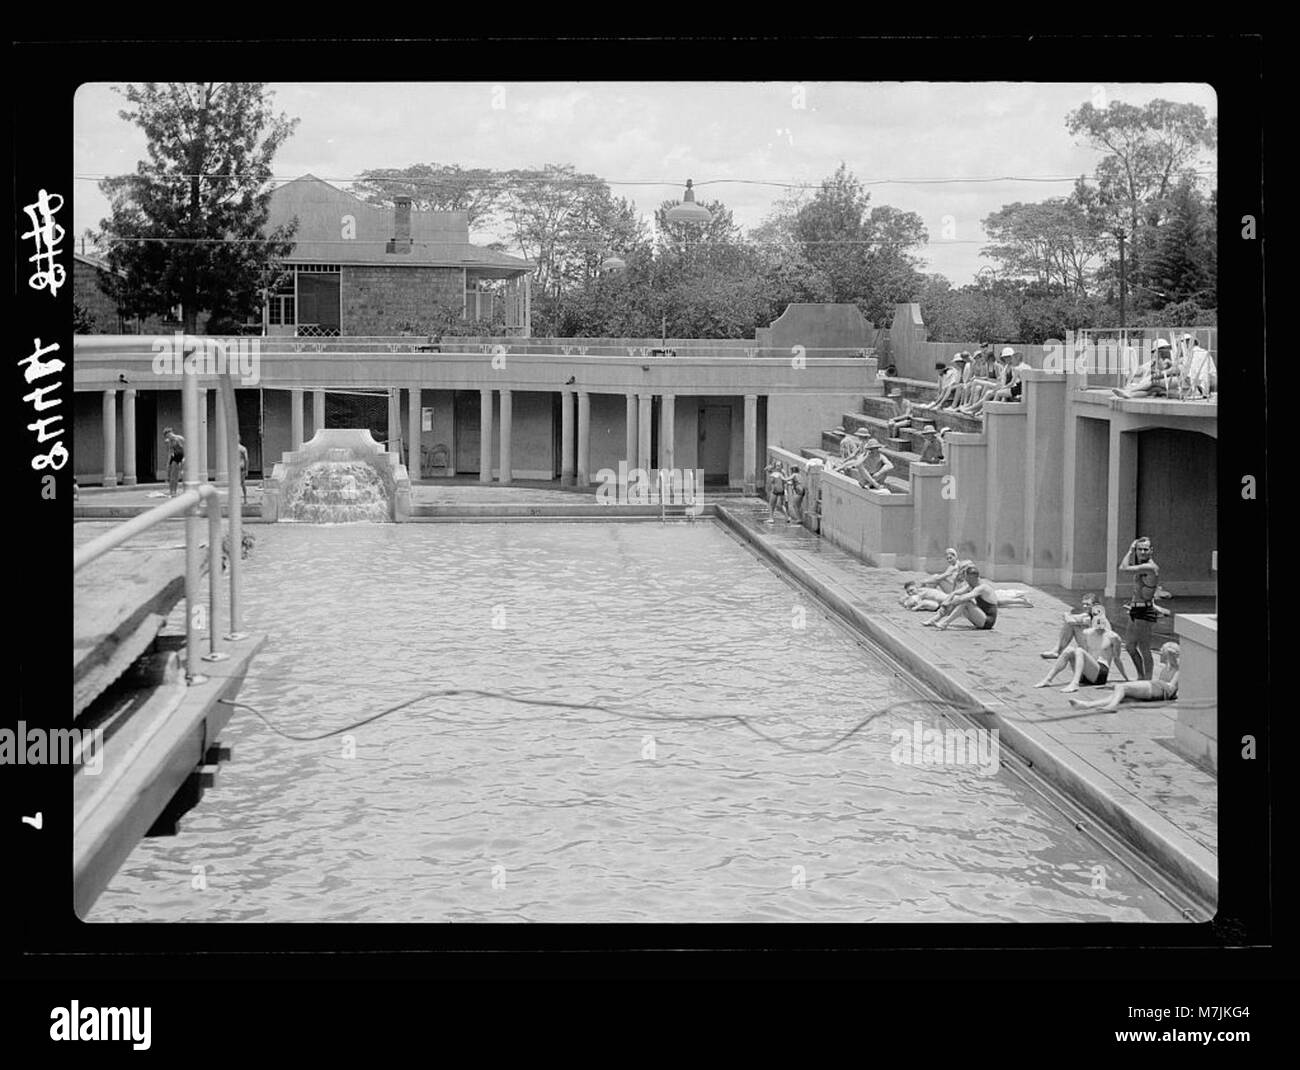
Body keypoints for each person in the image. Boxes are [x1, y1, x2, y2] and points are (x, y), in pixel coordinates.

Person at [1034, 603, 1128, 693]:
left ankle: (1075, 684)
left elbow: (1117, 659)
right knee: (1069, 650)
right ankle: (1048, 679)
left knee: (1079, 650)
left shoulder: (1113, 637)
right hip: (1086, 673)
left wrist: (1126, 678)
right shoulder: (1087, 633)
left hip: (1100, 674)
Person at [1068, 643, 1179, 711]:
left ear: (1168, 655)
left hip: (1160, 688)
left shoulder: (1178, 669)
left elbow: (1171, 687)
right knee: (1119, 695)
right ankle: (1087, 705)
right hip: (1158, 688)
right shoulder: (1166, 668)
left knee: (1121, 687)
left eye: (1162, 652)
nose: (1160, 654)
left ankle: (1112, 706)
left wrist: (1173, 656)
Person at [1119, 536, 1161, 680]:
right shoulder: (1141, 566)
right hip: (1135, 609)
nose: (1142, 552)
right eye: (1139, 549)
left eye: (1145, 549)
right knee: (1130, 646)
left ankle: (1148, 680)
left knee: (1144, 648)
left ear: (1151, 550)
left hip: (1144, 612)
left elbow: (1123, 568)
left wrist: (1130, 550)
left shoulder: (1149, 567)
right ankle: (1141, 676)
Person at [925, 565, 1000, 630]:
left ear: (972, 577)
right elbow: (954, 593)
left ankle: (944, 623)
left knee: (965, 602)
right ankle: (934, 620)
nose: (966, 580)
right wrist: (944, 604)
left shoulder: (982, 588)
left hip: (987, 622)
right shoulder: (971, 585)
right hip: (980, 618)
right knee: (956, 600)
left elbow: (963, 599)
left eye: (967, 578)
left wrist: (948, 604)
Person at [1040, 592, 1099, 659]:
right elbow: (1070, 617)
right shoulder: (1087, 615)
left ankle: (1057, 651)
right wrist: (1069, 616)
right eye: (1084, 604)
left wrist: (1068, 616)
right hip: (1087, 647)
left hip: (1093, 652)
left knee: (1070, 625)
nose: (1084, 606)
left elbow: (1070, 620)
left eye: (1088, 604)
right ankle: (1056, 651)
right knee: (1071, 624)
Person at [163, 426, 185, 497]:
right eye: (168, 436)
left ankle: (176, 491)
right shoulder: (169, 441)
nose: (169, 437)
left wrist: (184, 459)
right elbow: (170, 452)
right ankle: (172, 491)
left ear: (171, 433)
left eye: (169, 435)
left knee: (179, 474)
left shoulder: (179, 438)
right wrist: (168, 463)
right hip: (175, 457)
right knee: (172, 475)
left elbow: (184, 447)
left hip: (180, 456)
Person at [765, 459, 788, 524]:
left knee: (771, 504)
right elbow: (786, 480)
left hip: (775, 490)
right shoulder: (782, 472)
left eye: (778, 465)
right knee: (781, 505)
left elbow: (772, 481)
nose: (777, 467)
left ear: (781, 466)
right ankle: (787, 517)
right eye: (777, 465)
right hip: (781, 490)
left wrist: (771, 473)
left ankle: (771, 518)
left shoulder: (776, 473)